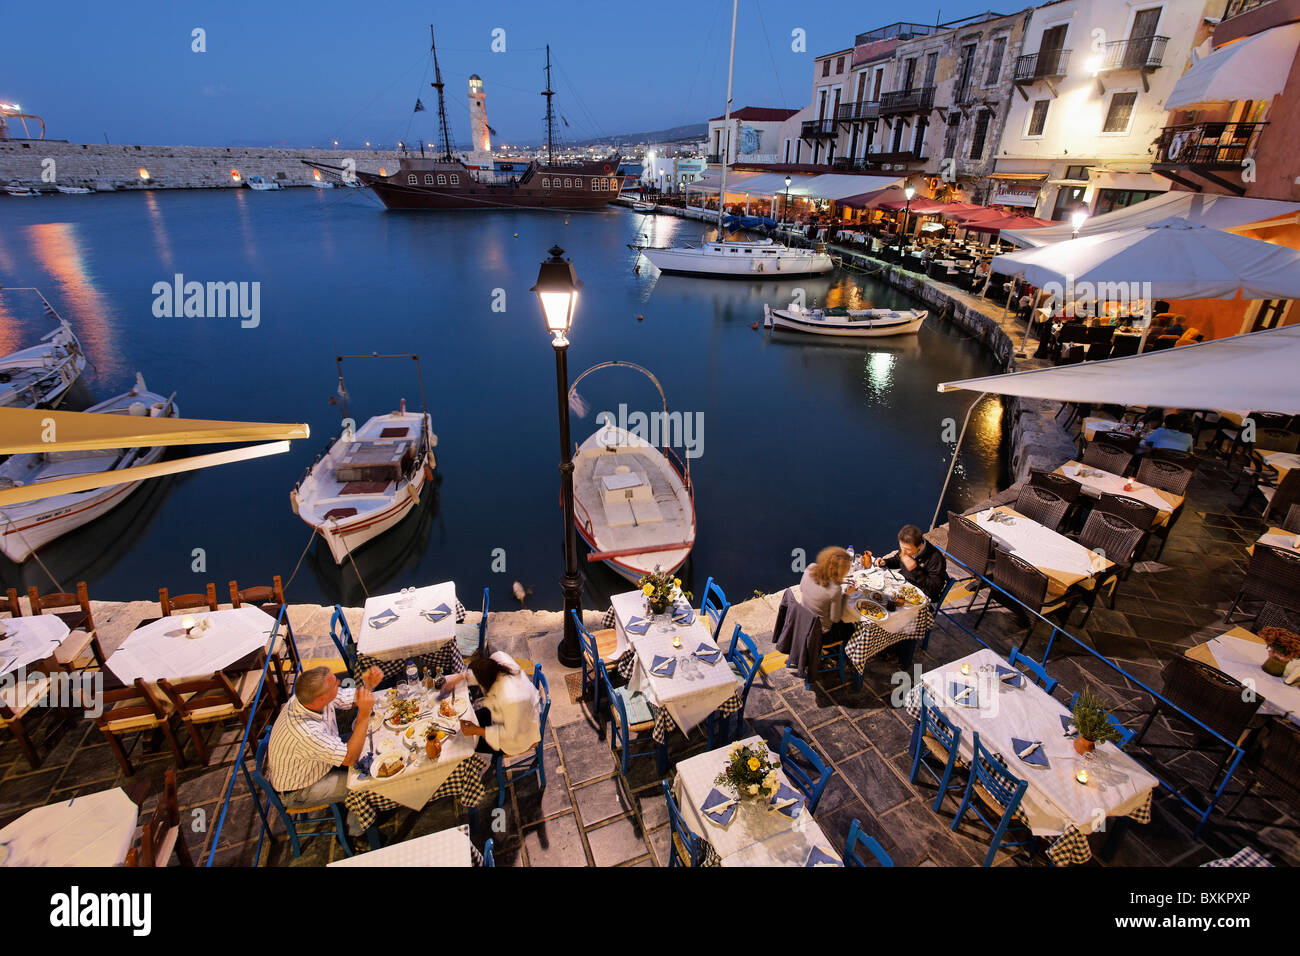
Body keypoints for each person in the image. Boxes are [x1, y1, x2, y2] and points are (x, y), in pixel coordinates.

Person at [265, 663, 383, 838]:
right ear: (320, 698)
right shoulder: (305, 732)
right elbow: (350, 758)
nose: (340, 684)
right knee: (363, 785)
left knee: (366, 741)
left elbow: (346, 698)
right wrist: (364, 714)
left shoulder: (307, 698)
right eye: (335, 685)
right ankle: (357, 832)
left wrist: (368, 687)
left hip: (319, 758)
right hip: (301, 789)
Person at [439, 648, 541, 757]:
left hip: (521, 733)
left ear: (485, 682)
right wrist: (459, 678)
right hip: (512, 713)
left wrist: (477, 730)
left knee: (467, 745)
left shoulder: (510, 699)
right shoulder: (498, 659)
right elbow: (477, 673)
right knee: (467, 720)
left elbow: (509, 734)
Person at [866, 524, 947, 603]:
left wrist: (915, 570)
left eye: (907, 549)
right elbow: (898, 560)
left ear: (919, 546)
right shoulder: (906, 548)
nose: (903, 552)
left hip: (922, 597)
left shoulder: (936, 558)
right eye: (901, 548)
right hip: (902, 585)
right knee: (874, 594)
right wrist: (885, 562)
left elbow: (934, 589)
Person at [798, 546, 850, 636]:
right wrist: (846, 595)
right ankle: (843, 649)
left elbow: (801, 588)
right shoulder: (835, 589)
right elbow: (835, 619)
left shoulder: (811, 567)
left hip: (802, 619)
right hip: (819, 631)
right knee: (851, 627)